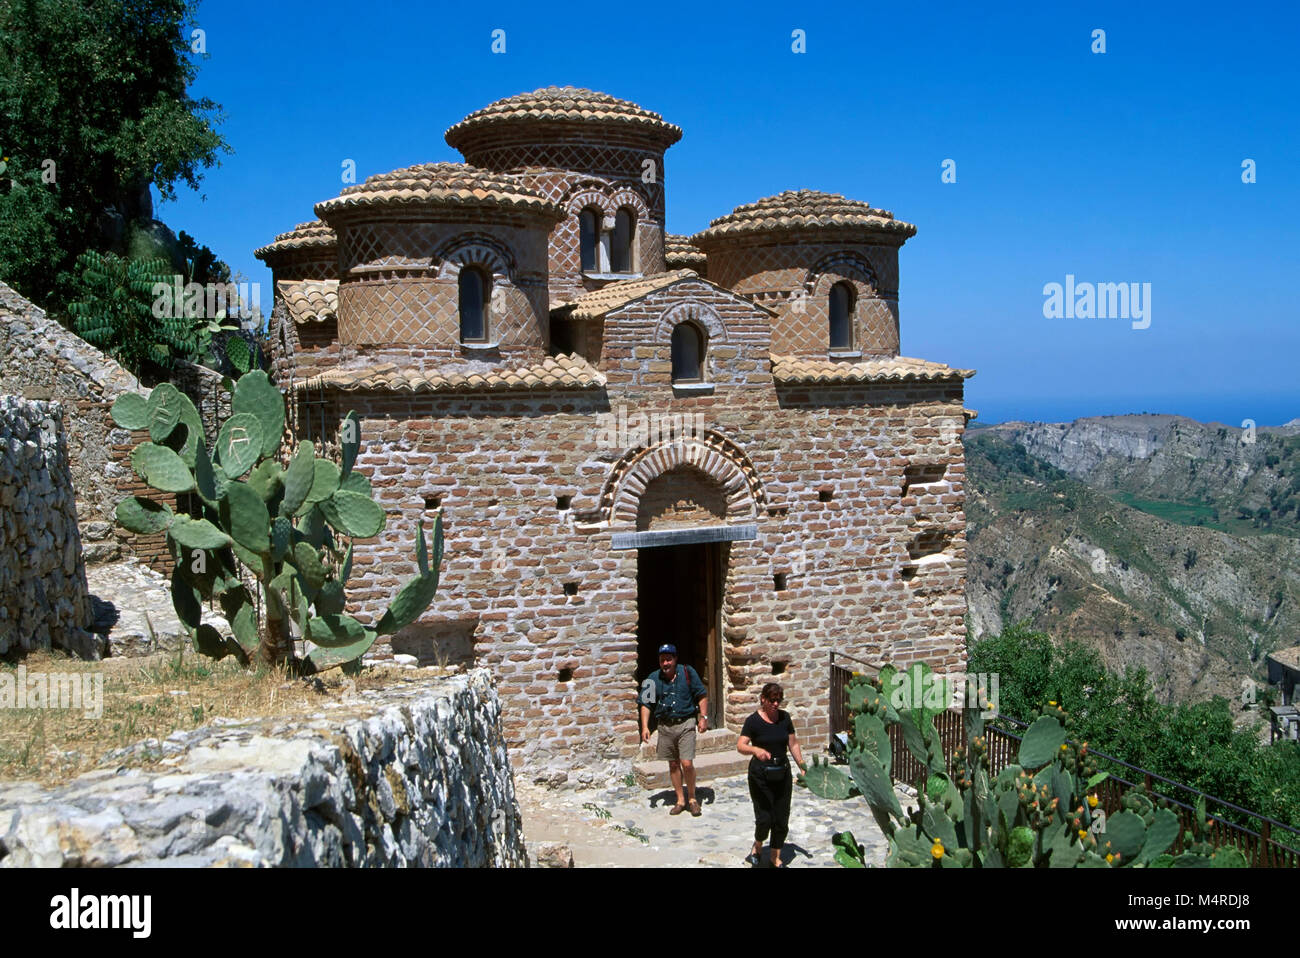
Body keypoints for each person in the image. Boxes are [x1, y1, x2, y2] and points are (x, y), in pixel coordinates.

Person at [737, 683, 806, 867]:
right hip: (760, 776)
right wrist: (755, 750)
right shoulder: (753, 721)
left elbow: (793, 744)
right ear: (763, 699)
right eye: (772, 700)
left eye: (778, 700)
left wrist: (802, 765)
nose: (776, 704)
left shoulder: (785, 718)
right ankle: (758, 845)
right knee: (765, 818)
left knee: (781, 818)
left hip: (782, 773)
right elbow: (741, 745)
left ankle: (775, 855)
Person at [638, 644, 709, 816]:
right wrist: (645, 726)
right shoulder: (652, 678)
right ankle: (680, 800)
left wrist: (703, 717)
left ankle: (692, 798)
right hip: (665, 726)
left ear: (675, 659)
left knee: (687, 763)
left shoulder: (688, 672)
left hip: (685, 723)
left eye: (669, 659)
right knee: (673, 764)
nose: (666, 663)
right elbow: (645, 703)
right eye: (662, 660)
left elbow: (702, 695)